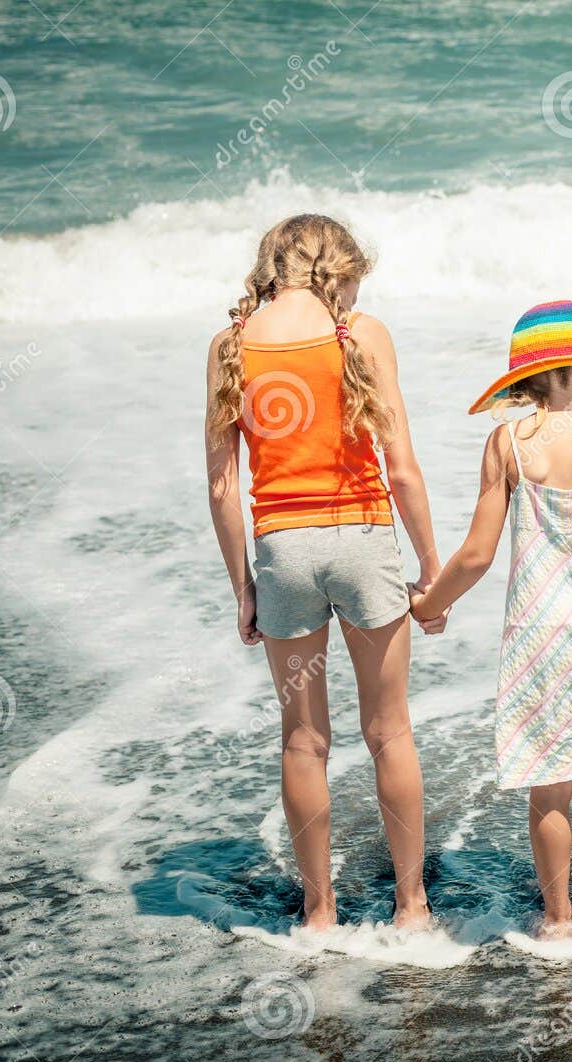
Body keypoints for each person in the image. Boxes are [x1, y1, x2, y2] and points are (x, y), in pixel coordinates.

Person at [204, 214, 442, 931]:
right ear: (335, 267)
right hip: (363, 540)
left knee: (303, 739)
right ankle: (412, 906)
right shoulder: (361, 334)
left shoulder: (230, 345)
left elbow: (221, 484)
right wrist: (431, 566)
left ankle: (319, 912)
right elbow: (399, 467)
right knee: (390, 731)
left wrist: (243, 584)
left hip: (283, 550)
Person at [410, 301, 572, 938]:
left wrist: (431, 604)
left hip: (541, 636)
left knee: (550, 784)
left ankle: (558, 919)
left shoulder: (512, 443)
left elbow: (475, 553)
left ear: (524, 377)